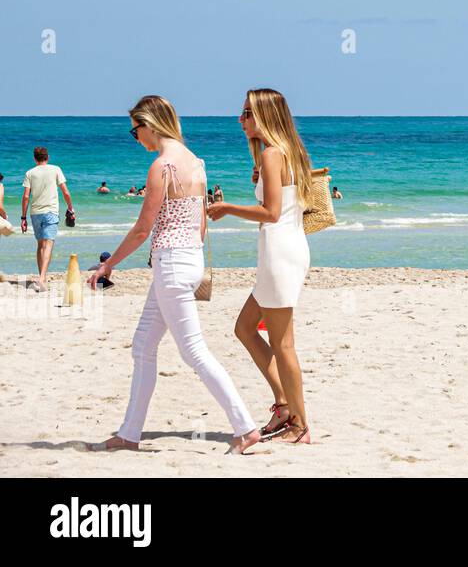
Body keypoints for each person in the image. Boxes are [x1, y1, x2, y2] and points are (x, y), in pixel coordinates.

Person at [86, 95, 259, 454]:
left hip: (171, 265)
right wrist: (185, 259)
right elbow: (199, 224)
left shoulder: (162, 166)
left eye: (135, 131)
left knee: (194, 351)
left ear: (149, 124)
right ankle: (129, 435)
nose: (136, 139)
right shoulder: (196, 162)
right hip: (187, 261)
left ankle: (244, 428)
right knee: (143, 346)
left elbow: (142, 228)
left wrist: (108, 264)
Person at [208, 88, 313, 445]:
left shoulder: (272, 154)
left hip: (279, 253)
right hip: (288, 248)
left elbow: (269, 213)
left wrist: (227, 209)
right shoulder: (289, 153)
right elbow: (282, 204)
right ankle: (285, 406)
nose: (241, 120)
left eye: (247, 114)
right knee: (245, 328)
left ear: (265, 116)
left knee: (283, 345)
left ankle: (300, 425)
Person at [21, 147, 74, 292]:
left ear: (34, 158)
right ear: (47, 157)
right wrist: (70, 208)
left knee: (40, 245)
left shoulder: (30, 173)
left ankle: (42, 278)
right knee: (48, 244)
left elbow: (26, 197)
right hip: (51, 211)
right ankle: (42, 278)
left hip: (35, 213)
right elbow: (65, 192)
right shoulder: (56, 169)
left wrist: (23, 217)